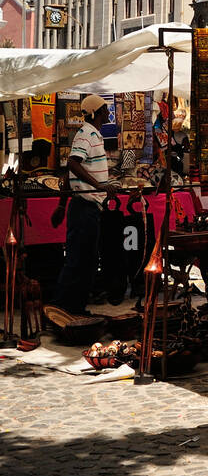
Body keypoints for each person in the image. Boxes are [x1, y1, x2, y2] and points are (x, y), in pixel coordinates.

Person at [52, 96, 119, 314]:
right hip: (84, 208)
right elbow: (72, 164)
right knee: (78, 261)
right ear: (96, 112)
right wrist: (100, 186)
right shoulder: (87, 134)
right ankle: (65, 310)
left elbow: (68, 174)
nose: (108, 112)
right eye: (105, 109)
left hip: (87, 207)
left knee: (86, 261)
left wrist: (62, 206)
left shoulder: (93, 135)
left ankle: (75, 309)